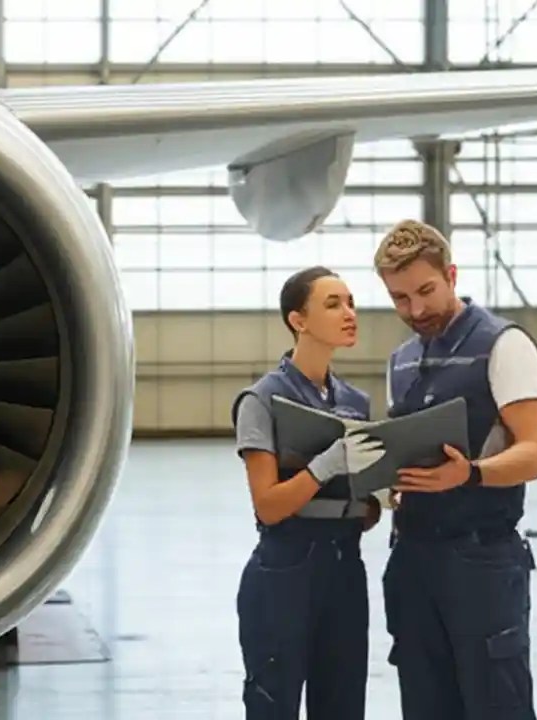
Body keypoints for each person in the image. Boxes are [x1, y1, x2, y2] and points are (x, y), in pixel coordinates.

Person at [374, 220, 537, 720]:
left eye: (426, 291)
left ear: (451, 275)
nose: (417, 310)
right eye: (400, 298)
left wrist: (469, 474)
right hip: (413, 559)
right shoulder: (402, 360)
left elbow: (536, 453)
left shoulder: (503, 345)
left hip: (481, 561)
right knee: (425, 703)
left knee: (496, 703)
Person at [230, 265, 382, 720]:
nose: (349, 312)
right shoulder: (261, 401)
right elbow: (269, 505)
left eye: (351, 302)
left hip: (345, 571)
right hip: (284, 572)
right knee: (273, 703)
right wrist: (325, 466)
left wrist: (380, 495)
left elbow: (365, 509)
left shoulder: (356, 404)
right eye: (333, 304)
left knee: (343, 704)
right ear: (298, 320)